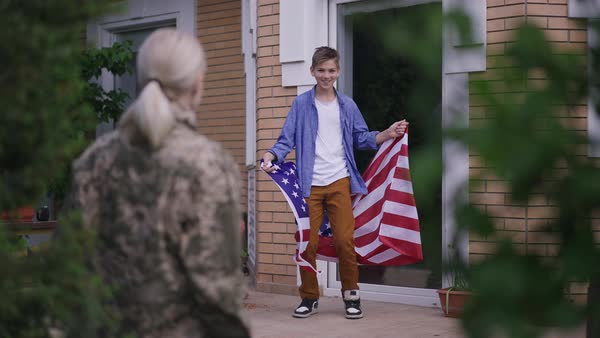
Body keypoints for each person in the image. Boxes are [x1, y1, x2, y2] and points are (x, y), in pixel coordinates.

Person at [68, 28, 249, 337]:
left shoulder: (94, 159)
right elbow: (218, 294)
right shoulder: (208, 164)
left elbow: (68, 269)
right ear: (197, 84)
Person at [261, 46, 408, 320]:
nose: (326, 76)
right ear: (312, 72)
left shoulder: (347, 105)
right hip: (309, 184)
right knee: (308, 243)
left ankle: (351, 296)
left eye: (331, 71)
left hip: (340, 180)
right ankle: (309, 297)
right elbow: (286, 139)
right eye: (321, 71)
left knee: (344, 241)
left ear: (338, 72)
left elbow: (361, 138)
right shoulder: (301, 104)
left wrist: (387, 133)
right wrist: (271, 155)